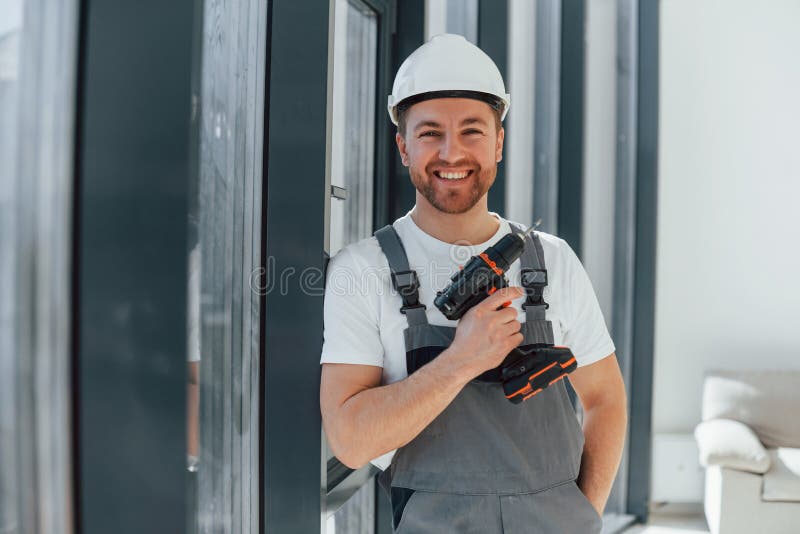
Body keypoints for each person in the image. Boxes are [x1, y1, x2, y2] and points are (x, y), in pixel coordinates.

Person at [320, 34, 627, 533]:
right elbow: (351, 442)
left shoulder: (553, 261)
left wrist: (581, 517)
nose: (452, 152)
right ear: (403, 146)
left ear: (498, 142)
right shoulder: (363, 270)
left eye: (471, 131)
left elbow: (605, 399)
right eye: (430, 133)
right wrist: (461, 361)